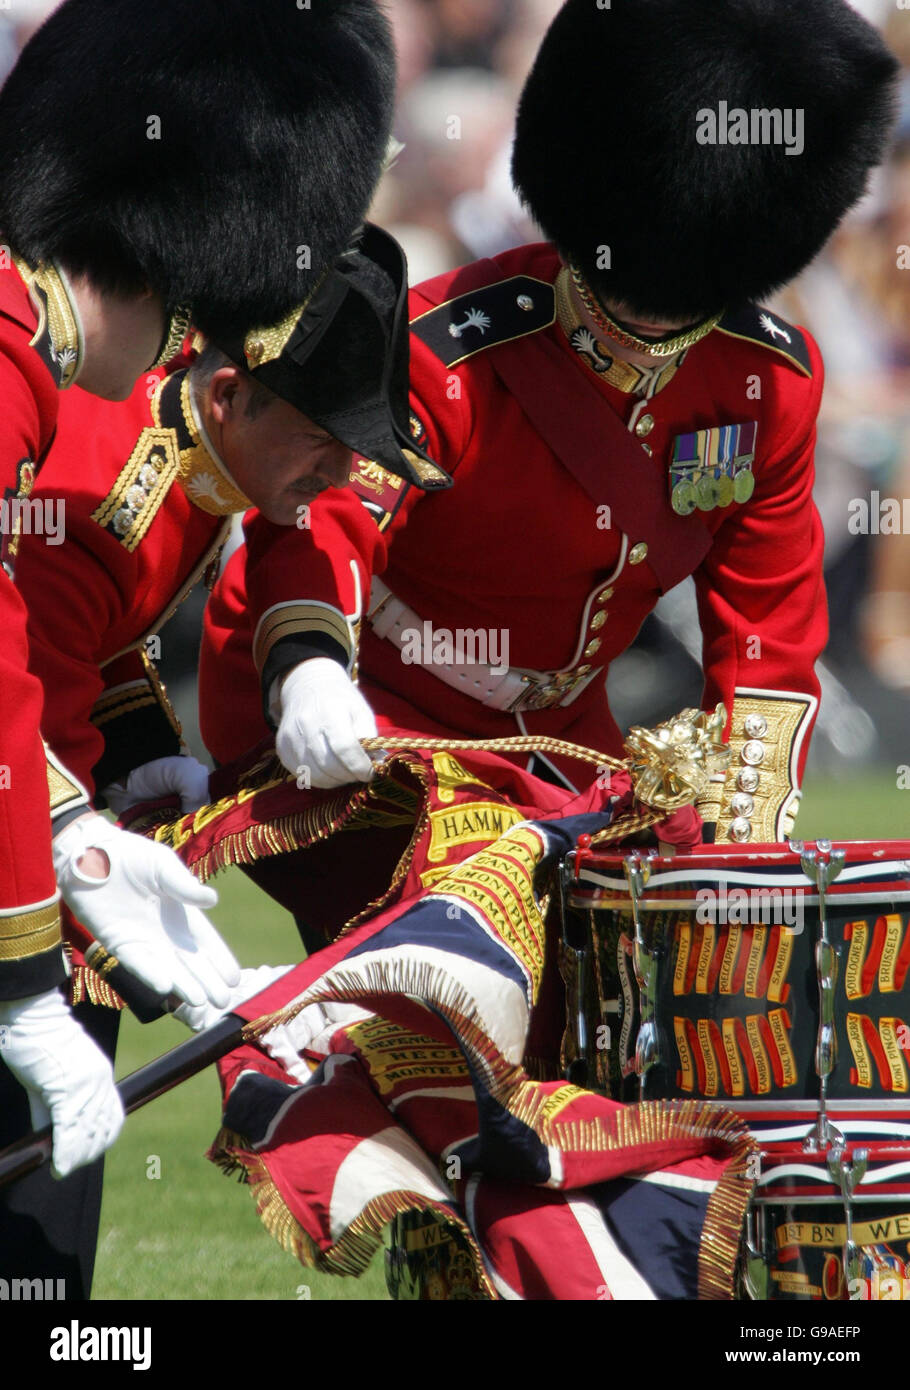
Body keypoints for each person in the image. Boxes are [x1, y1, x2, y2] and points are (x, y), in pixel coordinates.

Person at [200, 0, 899, 862]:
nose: (645, 328)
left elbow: (766, 631)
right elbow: (329, 521)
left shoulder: (769, 383)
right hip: (366, 711)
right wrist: (309, 669)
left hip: (559, 741)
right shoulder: (445, 349)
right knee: (473, 953)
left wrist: (741, 848)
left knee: (649, 947)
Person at [0, 0, 396, 1298]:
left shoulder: (175, 453)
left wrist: (135, 769)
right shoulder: (75, 433)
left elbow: (92, 653)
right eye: (321, 438)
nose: (335, 474)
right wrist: (64, 855)